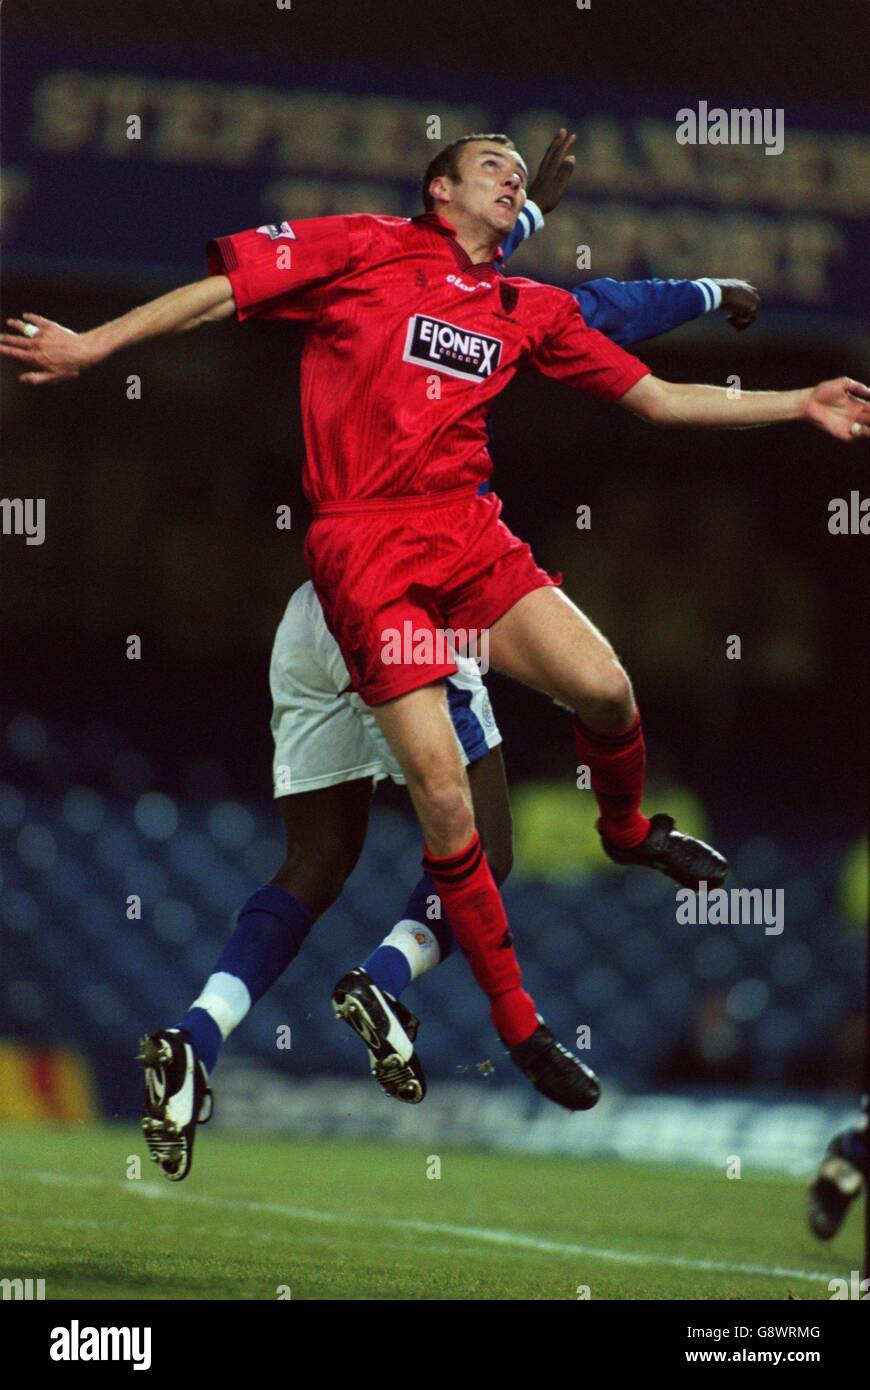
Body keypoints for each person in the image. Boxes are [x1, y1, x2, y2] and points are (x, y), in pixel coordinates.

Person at [3, 133, 867, 1184]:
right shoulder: (366, 248)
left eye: (518, 173)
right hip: (366, 561)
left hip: (460, 539)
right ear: (437, 187)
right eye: (489, 166)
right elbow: (222, 292)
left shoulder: (518, 300)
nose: (511, 180)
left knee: (587, 695)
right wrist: (93, 348)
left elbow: (639, 363)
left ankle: (621, 833)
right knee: (457, 816)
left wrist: (784, 386)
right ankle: (513, 1027)